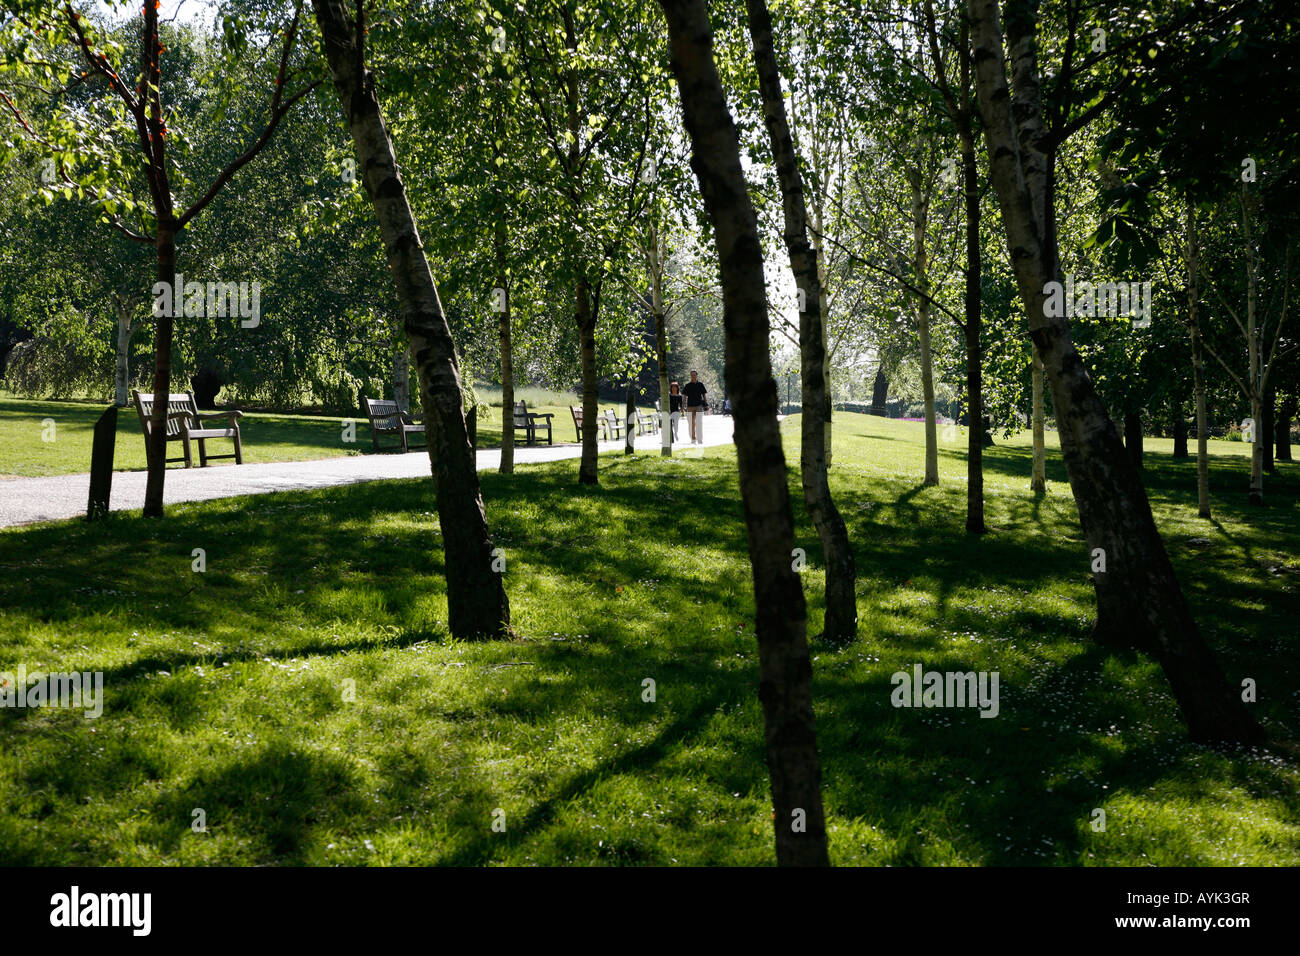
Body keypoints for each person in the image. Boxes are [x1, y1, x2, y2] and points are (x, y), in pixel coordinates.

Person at [683, 370, 707, 444]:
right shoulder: (687, 385)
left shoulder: (700, 384)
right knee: (691, 423)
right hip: (690, 406)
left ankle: (700, 439)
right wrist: (683, 405)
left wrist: (706, 404)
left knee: (699, 422)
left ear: (697, 375)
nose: (693, 376)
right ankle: (693, 438)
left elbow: (704, 395)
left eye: (694, 375)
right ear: (690, 376)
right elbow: (684, 396)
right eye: (692, 375)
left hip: (699, 405)